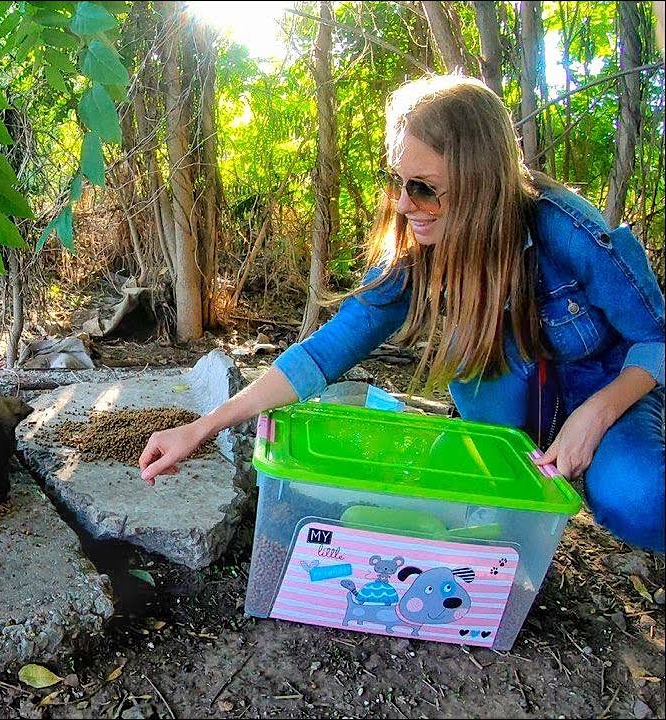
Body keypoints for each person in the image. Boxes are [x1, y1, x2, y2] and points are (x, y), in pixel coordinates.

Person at [139, 75, 665, 552]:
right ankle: (496, 499)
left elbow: (656, 339)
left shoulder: (569, 231)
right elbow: (322, 354)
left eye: (423, 188)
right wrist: (201, 427)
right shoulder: (418, 252)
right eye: (398, 182)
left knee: (639, 497)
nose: (403, 204)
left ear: (480, 183)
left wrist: (594, 415)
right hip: (515, 386)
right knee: (476, 363)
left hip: (612, 383)